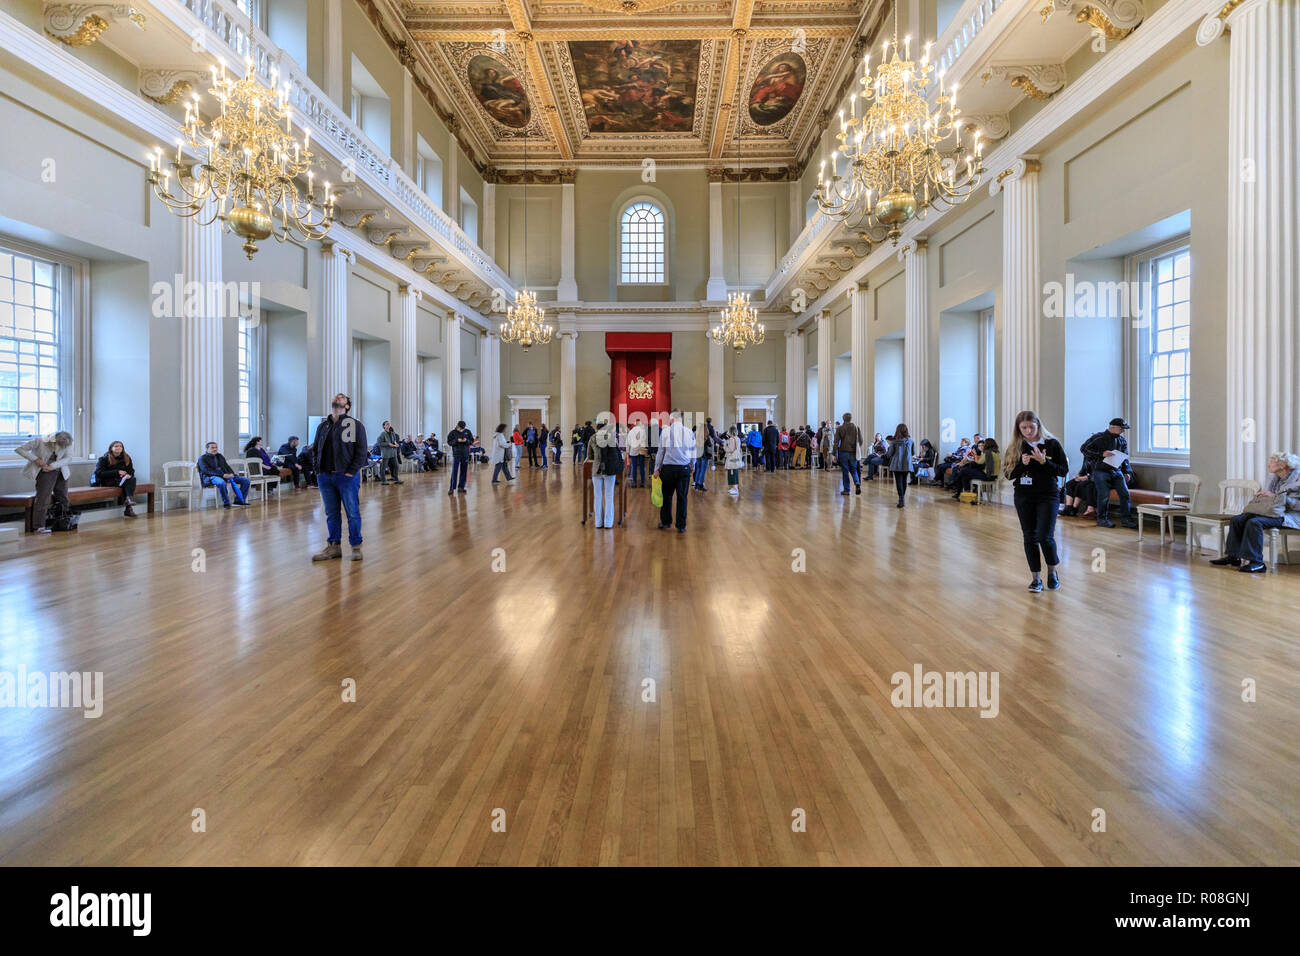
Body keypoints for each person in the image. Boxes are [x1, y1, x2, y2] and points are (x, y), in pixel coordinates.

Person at [1004, 410, 1070, 592]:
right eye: (1023, 428)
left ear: (1038, 425)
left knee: (1044, 536)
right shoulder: (1015, 447)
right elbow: (1008, 474)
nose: (1028, 431)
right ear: (1018, 428)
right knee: (1029, 537)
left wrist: (1044, 462)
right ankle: (1035, 579)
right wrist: (1021, 465)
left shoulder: (1052, 444)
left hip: (1048, 495)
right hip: (1024, 496)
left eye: (1031, 427)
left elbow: (1063, 470)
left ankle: (1052, 572)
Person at [1210, 452, 1300, 573]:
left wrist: (1276, 497)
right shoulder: (1273, 479)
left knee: (1254, 523)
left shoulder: (1298, 480)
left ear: (1282, 465)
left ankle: (1257, 563)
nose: (1268, 465)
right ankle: (1233, 557)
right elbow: (1271, 500)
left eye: (1272, 462)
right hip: (1270, 511)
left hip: (1289, 515)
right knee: (1237, 519)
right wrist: (1266, 496)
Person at [311, 393, 367, 561]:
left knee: (352, 512)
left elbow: (362, 451)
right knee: (331, 513)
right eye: (336, 397)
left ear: (347, 406)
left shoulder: (355, 425)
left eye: (342, 397)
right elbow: (315, 449)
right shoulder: (323, 426)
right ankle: (334, 546)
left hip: (346, 476)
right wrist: (318, 471)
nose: (338, 397)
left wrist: (351, 471)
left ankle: (356, 546)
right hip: (326, 477)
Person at [1081, 418, 1139, 529]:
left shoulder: (1122, 441)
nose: (1123, 431)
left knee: (1125, 494)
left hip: (1116, 471)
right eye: (1121, 428)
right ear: (1112, 427)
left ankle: (1126, 519)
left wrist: (1127, 472)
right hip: (1100, 471)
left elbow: (1124, 458)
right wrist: (1101, 454)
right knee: (1103, 496)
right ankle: (1102, 519)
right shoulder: (1098, 437)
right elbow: (1084, 449)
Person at [16, 431, 73, 532]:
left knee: (63, 498)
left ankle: (64, 522)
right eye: (60, 444)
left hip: (61, 471)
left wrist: (52, 466)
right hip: (44, 472)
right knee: (43, 498)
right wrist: (36, 459)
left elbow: (68, 458)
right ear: (54, 440)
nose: (62, 447)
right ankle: (39, 526)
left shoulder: (67, 442)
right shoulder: (40, 441)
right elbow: (19, 449)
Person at [653, 408, 695, 532]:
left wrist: (657, 469)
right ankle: (681, 526)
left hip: (668, 469)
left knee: (667, 496)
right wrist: (693, 466)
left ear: (672, 418)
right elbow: (693, 452)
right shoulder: (688, 432)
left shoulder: (666, 432)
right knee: (682, 497)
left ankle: (666, 522)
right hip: (683, 468)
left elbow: (661, 452)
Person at [91, 440, 138, 518]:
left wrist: (128, 475)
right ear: (111, 448)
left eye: (120, 446)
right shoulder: (104, 458)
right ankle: (128, 507)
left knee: (131, 479)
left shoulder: (126, 457)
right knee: (128, 483)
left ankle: (128, 501)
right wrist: (117, 472)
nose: (119, 448)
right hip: (107, 481)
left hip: (121, 480)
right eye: (116, 446)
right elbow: (99, 473)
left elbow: (131, 471)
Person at [589, 421, 622, 529]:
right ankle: (608, 523)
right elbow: (618, 452)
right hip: (609, 470)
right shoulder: (611, 437)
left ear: (597, 428)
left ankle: (598, 523)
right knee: (609, 496)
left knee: (597, 497)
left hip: (596, 470)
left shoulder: (592, 438)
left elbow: (590, 456)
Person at [197, 441, 250, 508]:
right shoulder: (202, 458)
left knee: (246, 480)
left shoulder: (219, 456)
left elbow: (227, 466)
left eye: (216, 447)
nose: (215, 449)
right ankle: (226, 503)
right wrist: (222, 475)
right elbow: (206, 470)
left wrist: (231, 473)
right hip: (211, 477)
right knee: (221, 482)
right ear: (207, 449)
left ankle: (238, 501)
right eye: (212, 448)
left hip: (225, 475)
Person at [834, 413, 863, 495]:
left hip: (843, 452)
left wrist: (834, 453)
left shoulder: (840, 428)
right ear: (851, 418)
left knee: (845, 471)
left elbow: (836, 442)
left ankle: (847, 490)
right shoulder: (856, 428)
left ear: (843, 419)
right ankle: (857, 482)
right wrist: (857, 447)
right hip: (853, 452)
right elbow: (861, 440)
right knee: (854, 469)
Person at [887, 424, 915, 507]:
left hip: (896, 464)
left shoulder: (894, 441)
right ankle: (902, 498)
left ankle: (901, 499)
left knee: (898, 481)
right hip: (907, 463)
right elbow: (913, 452)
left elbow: (890, 453)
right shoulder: (910, 440)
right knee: (904, 481)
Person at [446, 420, 472, 494]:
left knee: (464, 471)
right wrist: (457, 441)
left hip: (465, 454)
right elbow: (449, 442)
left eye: (463, 429)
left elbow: (471, 441)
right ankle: (451, 488)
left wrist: (466, 441)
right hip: (456, 454)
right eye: (460, 428)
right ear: (458, 426)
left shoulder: (468, 432)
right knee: (455, 471)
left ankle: (461, 487)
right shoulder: (452, 432)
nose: (461, 430)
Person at [724, 425, 744, 496]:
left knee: (732, 471)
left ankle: (735, 488)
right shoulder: (737, 438)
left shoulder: (732, 439)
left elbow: (730, 449)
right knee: (733, 471)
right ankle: (733, 487)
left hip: (732, 457)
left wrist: (725, 446)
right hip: (736, 457)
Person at [627, 419, 648, 487]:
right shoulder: (643, 431)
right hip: (641, 449)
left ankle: (635, 483)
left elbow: (628, 443)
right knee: (642, 467)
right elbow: (645, 441)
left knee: (634, 467)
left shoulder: (631, 431)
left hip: (633, 450)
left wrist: (628, 452)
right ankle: (642, 483)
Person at [693, 416, 711, 490]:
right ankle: (700, 485)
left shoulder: (696, 436)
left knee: (698, 469)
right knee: (703, 471)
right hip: (705, 455)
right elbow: (710, 445)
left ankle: (696, 484)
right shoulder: (706, 437)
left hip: (698, 454)